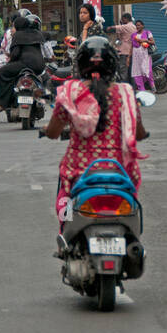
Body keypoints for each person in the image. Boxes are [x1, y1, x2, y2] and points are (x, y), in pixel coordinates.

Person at [42, 35, 148, 233]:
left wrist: (47, 132)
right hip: (120, 171)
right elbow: (138, 131)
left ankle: (65, 235)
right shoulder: (125, 93)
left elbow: (54, 131)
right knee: (132, 200)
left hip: (79, 170)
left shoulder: (71, 92)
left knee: (64, 200)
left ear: (81, 64)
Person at [0, 12, 49, 111]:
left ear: (18, 26)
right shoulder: (36, 33)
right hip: (40, 67)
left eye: (13, 27)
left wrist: (9, 63)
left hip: (25, 64)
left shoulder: (18, 35)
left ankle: (3, 103)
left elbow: (15, 54)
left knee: (0, 73)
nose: (12, 30)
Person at [106, 12, 137, 83]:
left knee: (123, 72)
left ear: (125, 19)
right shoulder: (134, 27)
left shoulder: (126, 27)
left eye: (122, 19)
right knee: (132, 73)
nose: (122, 21)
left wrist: (107, 28)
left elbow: (112, 28)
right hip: (133, 52)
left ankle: (124, 89)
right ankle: (133, 90)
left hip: (125, 52)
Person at [130, 19, 155, 92]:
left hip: (145, 54)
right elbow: (131, 46)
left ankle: (152, 84)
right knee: (137, 72)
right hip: (136, 55)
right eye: (136, 25)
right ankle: (142, 90)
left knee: (147, 70)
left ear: (143, 26)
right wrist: (129, 57)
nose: (137, 26)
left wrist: (145, 40)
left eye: (139, 25)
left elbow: (153, 42)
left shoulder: (148, 32)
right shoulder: (133, 35)